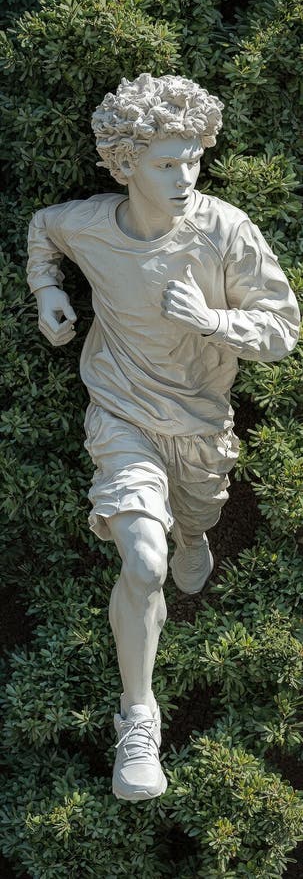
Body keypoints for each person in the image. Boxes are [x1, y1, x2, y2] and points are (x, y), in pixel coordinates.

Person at [26, 73, 300, 803]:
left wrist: (211, 322)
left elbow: (282, 331)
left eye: (191, 158)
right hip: (119, 415)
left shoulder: (223, 229)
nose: (183, 177)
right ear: (124, 163)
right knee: (141, 565)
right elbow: (42, 230)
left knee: (195, 517)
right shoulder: (88, 222)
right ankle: (138, 722)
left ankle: (194, 537)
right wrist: (48, 291)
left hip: (199, 425)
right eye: (164, 163)